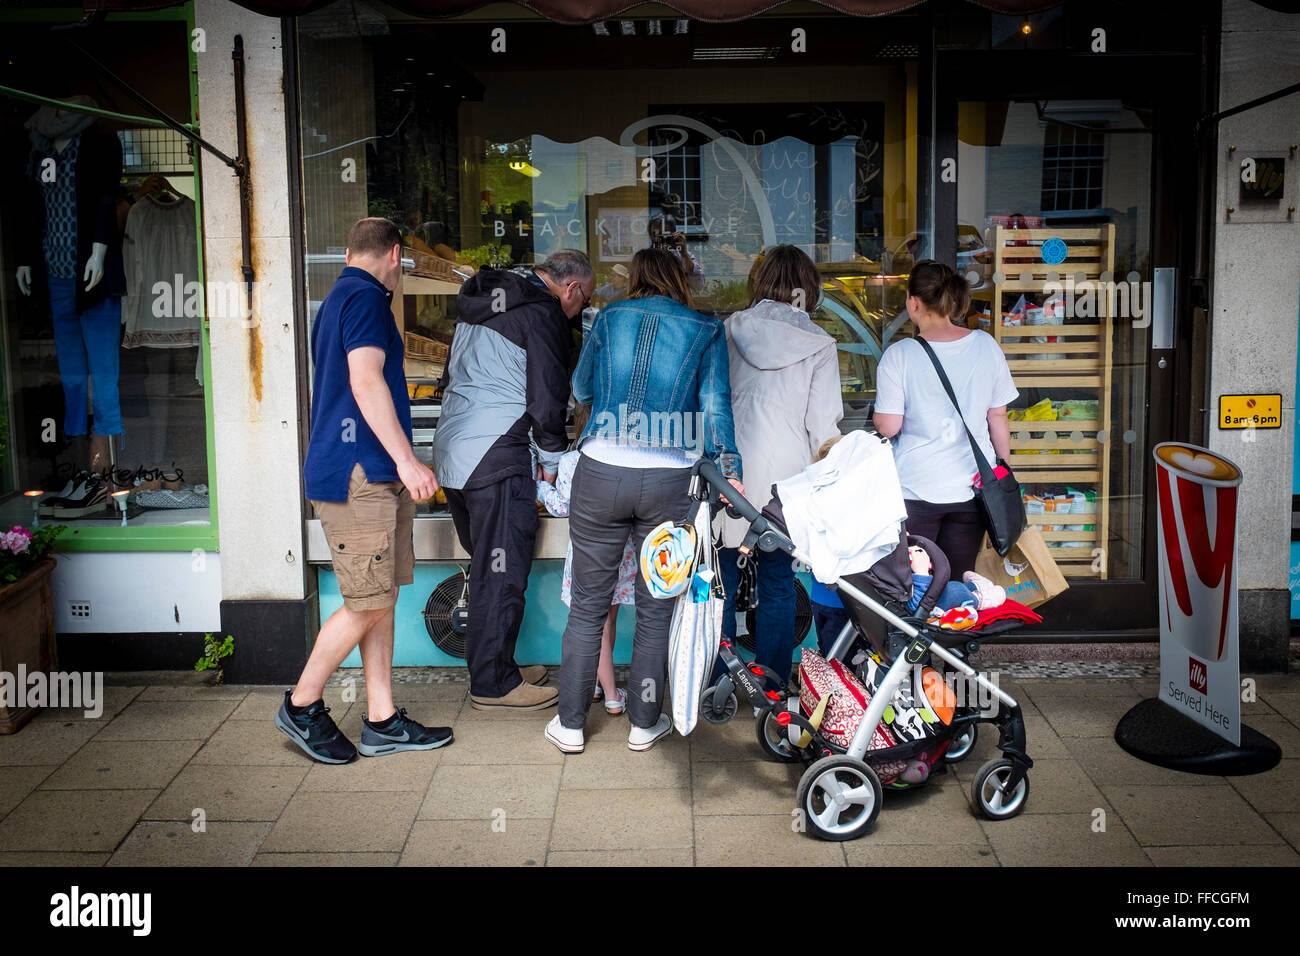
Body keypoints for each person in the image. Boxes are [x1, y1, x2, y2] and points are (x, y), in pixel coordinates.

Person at [546, 247, 743, 754]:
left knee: (589, 607)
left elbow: (581, 386)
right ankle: (643, 724)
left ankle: (569, 726)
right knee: (657, 610)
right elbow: (716, 405)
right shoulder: (705, 328)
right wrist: (730, 472)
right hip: (669, 480)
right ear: (681, 280)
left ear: (635, 277)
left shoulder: (609, 317)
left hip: (601, 471)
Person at [278, 217, 451, 763]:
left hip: (364, 471)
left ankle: (381, 719)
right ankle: (302, 704)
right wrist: (408, 461)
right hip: (360, 474)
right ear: (395, 254)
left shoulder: (337, 298)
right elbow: (365, 379)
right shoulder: (368, 299)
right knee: (365, 601)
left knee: (380, 598)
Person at [432, 249, 595, 711]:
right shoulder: (541, 313)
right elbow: (547, 397)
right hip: (495, 453)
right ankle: (494, 684)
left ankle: (497, 663)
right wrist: (552, 460)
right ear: (572, 289)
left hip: (454, 449)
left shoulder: (485, 300)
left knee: (488, 567)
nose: (579, 311)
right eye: (583, 302)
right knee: (502, 573)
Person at [715, 244, 843, 685]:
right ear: (807, 289)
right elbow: (822, 427)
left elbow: (713, 403)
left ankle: (720, 681)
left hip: (730, 473)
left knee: (722, 582)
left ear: (760, 281)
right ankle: (769, 682)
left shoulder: (729, 329)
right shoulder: (820, 344)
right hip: (786, 482)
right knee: (778, 582)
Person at [872, 260, 1018, 577]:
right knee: (958, 578)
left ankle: (919, 629)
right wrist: (1000, 472)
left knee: (914, 584)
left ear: (913, 302)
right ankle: (953, 627)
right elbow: (998, 416)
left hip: (915, 489)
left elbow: (889, 426)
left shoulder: (900, 355)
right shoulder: (986, 346)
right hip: (972, 488)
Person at [535, 445, 631, 716]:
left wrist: (540, 486)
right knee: (609, 618)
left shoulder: (571, 461)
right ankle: (599, 683)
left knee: (595, 621)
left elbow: (560, 506)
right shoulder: (628, 455)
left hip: (589, 551)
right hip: (623, 550)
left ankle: (610, 695)